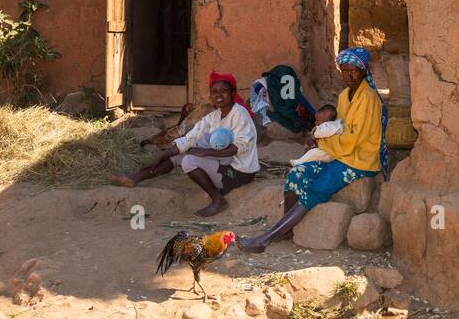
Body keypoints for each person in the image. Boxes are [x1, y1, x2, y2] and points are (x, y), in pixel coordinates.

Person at [237, 49, 387, 253]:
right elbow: (337, 127)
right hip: (340, 153)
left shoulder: (368, 99)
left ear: (363, 71)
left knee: (314, 188)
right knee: (296, 174)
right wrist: (320, 138)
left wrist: (322, 142)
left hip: (359, 160)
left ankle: (266, 238)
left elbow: (352, 140)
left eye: (354, 70)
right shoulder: (344, 96)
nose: (349, 75)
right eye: (345, 70)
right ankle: (286, 228)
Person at [110, 72, 258, 216]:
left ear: (233, 93)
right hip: (225, 162)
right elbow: (190, 139)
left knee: (189, 160)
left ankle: (218, 200)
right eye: (214, 92)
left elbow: (239, 147)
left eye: (224, 91)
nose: (218, 95)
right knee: (184, 151)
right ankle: (135, 177)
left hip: (239, 172)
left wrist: (206, 153)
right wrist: (163, 155)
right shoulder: (214, 116)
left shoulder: (239, 114)